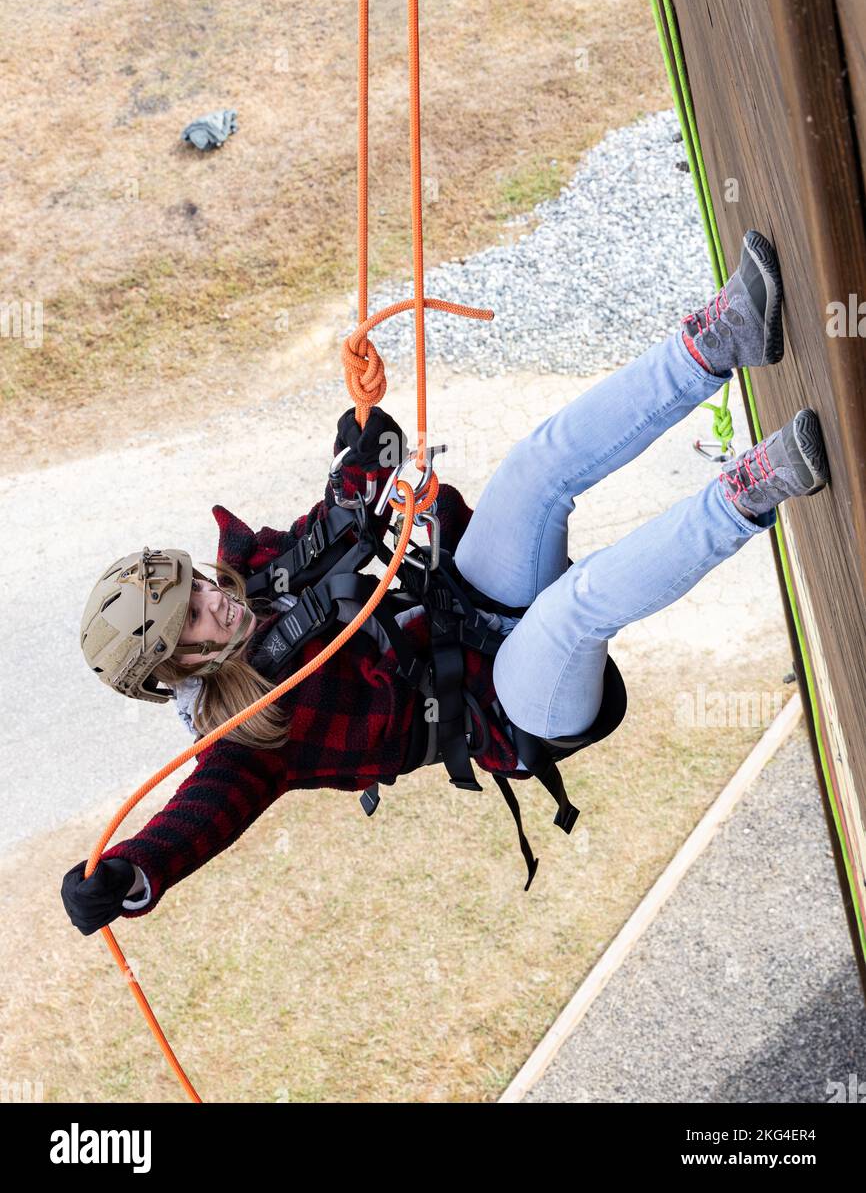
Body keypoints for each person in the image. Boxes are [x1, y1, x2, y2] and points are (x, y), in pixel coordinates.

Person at [61, 229, 829, 933]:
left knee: (533, 471)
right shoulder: (251, 737)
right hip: (508, 709)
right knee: (574, 608)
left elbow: (350, 500)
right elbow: (200, 816)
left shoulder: (263, 578)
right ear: (177, 668)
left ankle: (717, 341)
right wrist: (134, 873)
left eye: (196, 584)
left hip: (468, 610)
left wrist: (366, 430)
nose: (213, 599)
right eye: (193, 617)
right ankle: (753, 488)